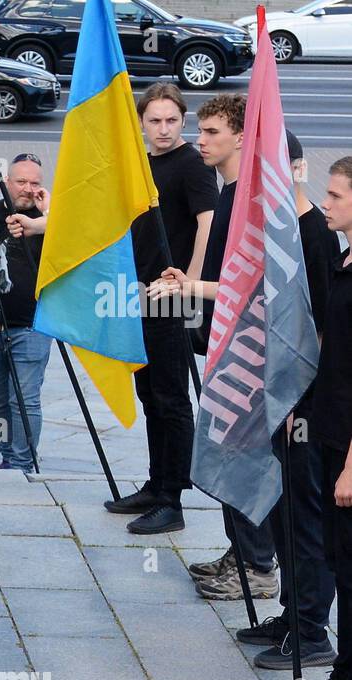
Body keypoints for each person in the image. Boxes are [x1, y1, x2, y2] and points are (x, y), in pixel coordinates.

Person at [151, 93, 278, 602]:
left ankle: (259, 565)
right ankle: (241, 554)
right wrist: (192, 278)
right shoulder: (228, 190)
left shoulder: (252, 198)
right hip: (231, 345)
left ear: (242, 138)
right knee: (229, 454)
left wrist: (191, 289)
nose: (198, 141)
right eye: (199, 131)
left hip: (253, 353)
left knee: (246, 457)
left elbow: (257, 289)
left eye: (211, 133)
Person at [249, 132, 341, 671]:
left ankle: (312, 630)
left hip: (306, 404)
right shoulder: (283, 231)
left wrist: (296, 401)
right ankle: (291, 612)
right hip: (283, 395)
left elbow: (323, 331)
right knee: (285, 512)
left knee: (306, 517)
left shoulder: (315, 236)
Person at [113, 83, 218, 534]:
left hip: (169, 298)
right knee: (150, 394)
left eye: (171, 120)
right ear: (141, 123)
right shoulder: (140, 164)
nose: (163, 128)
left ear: (183, 120)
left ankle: (173, 499)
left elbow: (207, 222)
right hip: (137, 294)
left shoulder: (191, 165)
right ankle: (156, 484)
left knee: (173, 398)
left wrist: (189, 283)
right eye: (154, 121)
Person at [296, 156, 352, 680]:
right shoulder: (341, 258)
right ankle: (344, 672)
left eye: (336, 195)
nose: (326, 203)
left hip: (350, 449)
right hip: (330, 431)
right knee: (342, 560)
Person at [0, 153, 51, 473]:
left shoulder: (50, 217)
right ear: (7, 182)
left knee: (23, 400)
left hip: (33, 324)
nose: (27, 188)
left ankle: (24, 461)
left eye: (35, 183)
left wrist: (49, 211)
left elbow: (75, 239)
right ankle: (7, 452)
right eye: (21, 181)